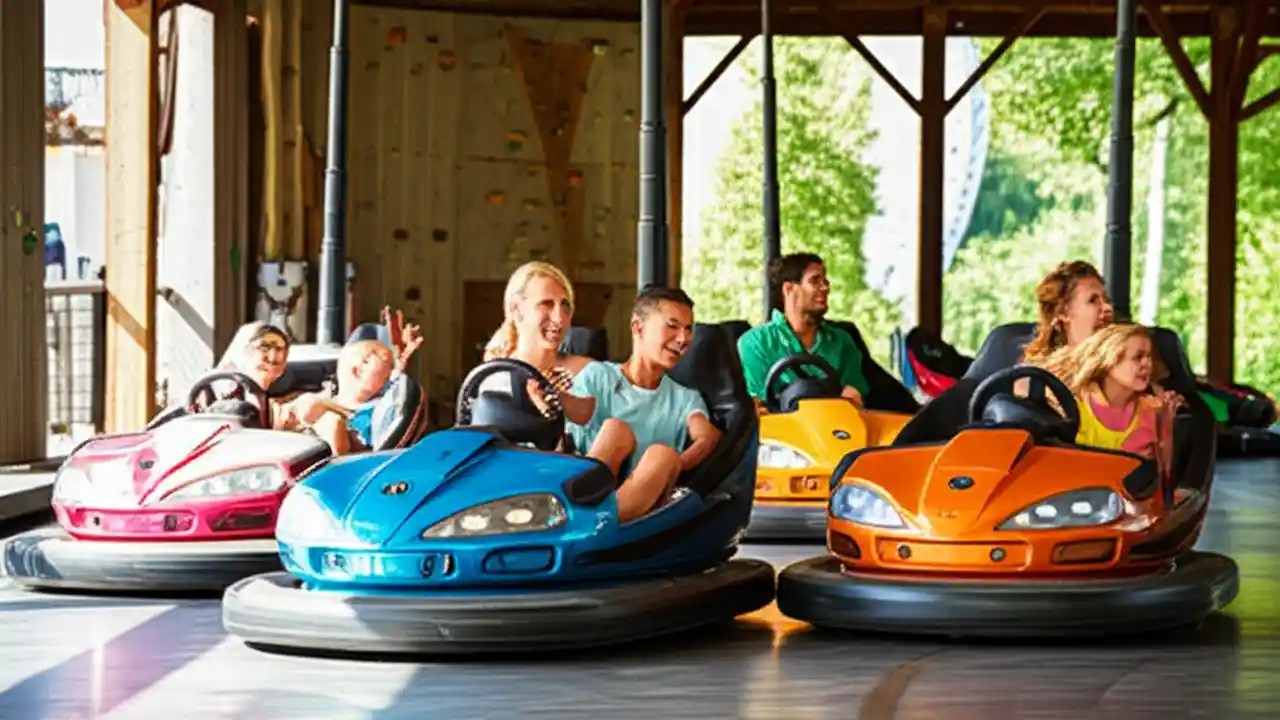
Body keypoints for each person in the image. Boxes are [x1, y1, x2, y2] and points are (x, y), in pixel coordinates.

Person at [567, 286, 720, 522]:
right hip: (589, 488)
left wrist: (675, 464)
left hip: (642, 507)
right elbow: (573, 422)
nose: (683, 339)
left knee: (663, 455)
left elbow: (706, 437)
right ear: (638, 328)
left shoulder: (685, 398)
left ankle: (601, 526)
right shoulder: (597, 376)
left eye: (688, 330)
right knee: (615, 430)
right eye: (672, 326)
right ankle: (585, 519)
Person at [478, 261, 636, 478]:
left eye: (565, 306)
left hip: (567, 480)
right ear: (516, 310)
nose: (559, 318)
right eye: (546, 304)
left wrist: (557, 401)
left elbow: (614, 430)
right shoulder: (492, 374)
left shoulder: (591, 373)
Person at [1040, 323, 1182, 482]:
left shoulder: (1151, 410)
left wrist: (1166, 423)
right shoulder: (1074, 403)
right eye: (1138, 357)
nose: (1147, 364)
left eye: (1149, 357)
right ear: (1110, 361)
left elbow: (1164, 479)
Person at [737, 253, 868, 407]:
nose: (825, 287)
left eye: (825, 281)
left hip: (833, 425)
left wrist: (852, 396)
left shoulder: (842, 341)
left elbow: (854, 392)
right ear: (789, 289)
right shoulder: (756, 343)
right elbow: (758, 407)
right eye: (815, 281)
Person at [288, 306, 424, 454]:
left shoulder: (381, 409)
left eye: (382, 360)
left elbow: (399, 394)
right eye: (365, 359)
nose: (359, 364)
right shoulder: (313, 402)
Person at [1022, 260, 1116, 365]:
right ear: (1063, 312)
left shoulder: (1124, 366)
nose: (1108, 307)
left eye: (1107, 300)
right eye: (1093, 300)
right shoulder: (1037, 374)